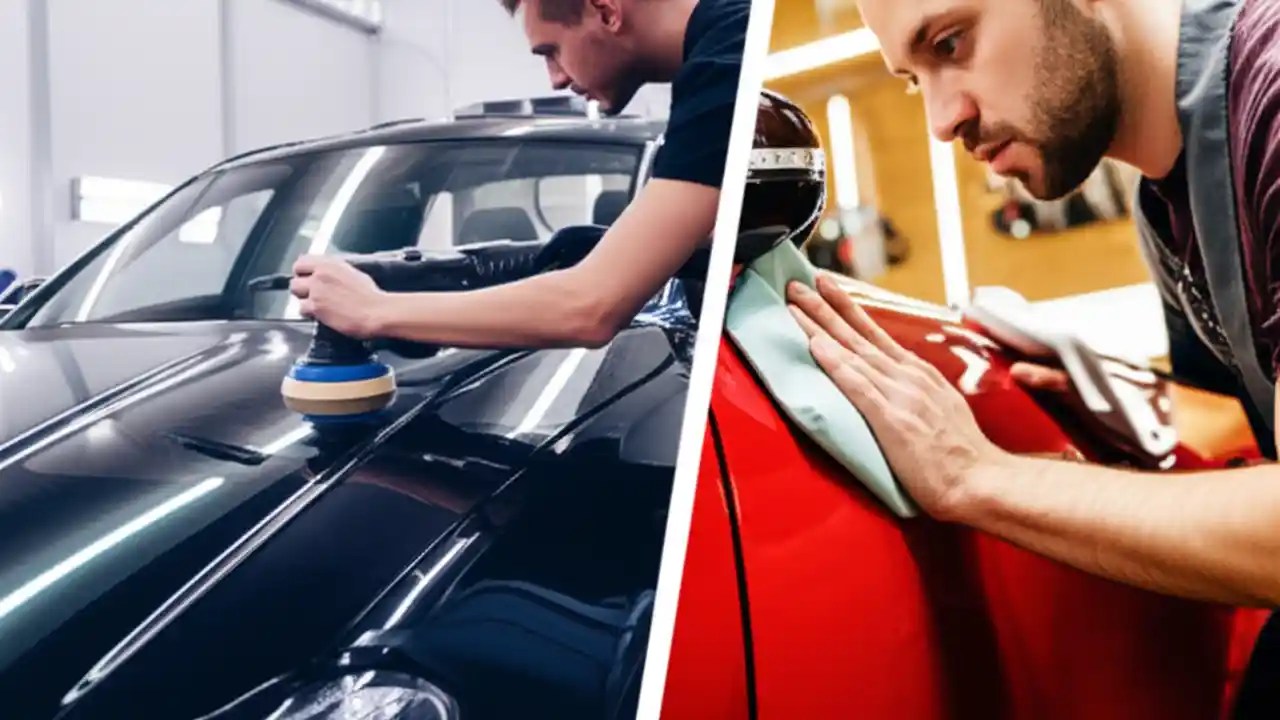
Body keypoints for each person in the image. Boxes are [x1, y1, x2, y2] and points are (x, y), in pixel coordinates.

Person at [785, 0, 1280, 712]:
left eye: (951, 43)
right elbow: (1246, 455)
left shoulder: (1271, 95)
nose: (940, 119)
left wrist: (974, 476)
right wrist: (1114, 407)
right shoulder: (1164, 207)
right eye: (913, 80)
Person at [288, 0, 748, 349]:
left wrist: (373, 310)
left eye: (551, 51)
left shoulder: (729, 66)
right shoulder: (720, 57)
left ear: (605, 10)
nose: (555, 79)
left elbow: (590, 306)